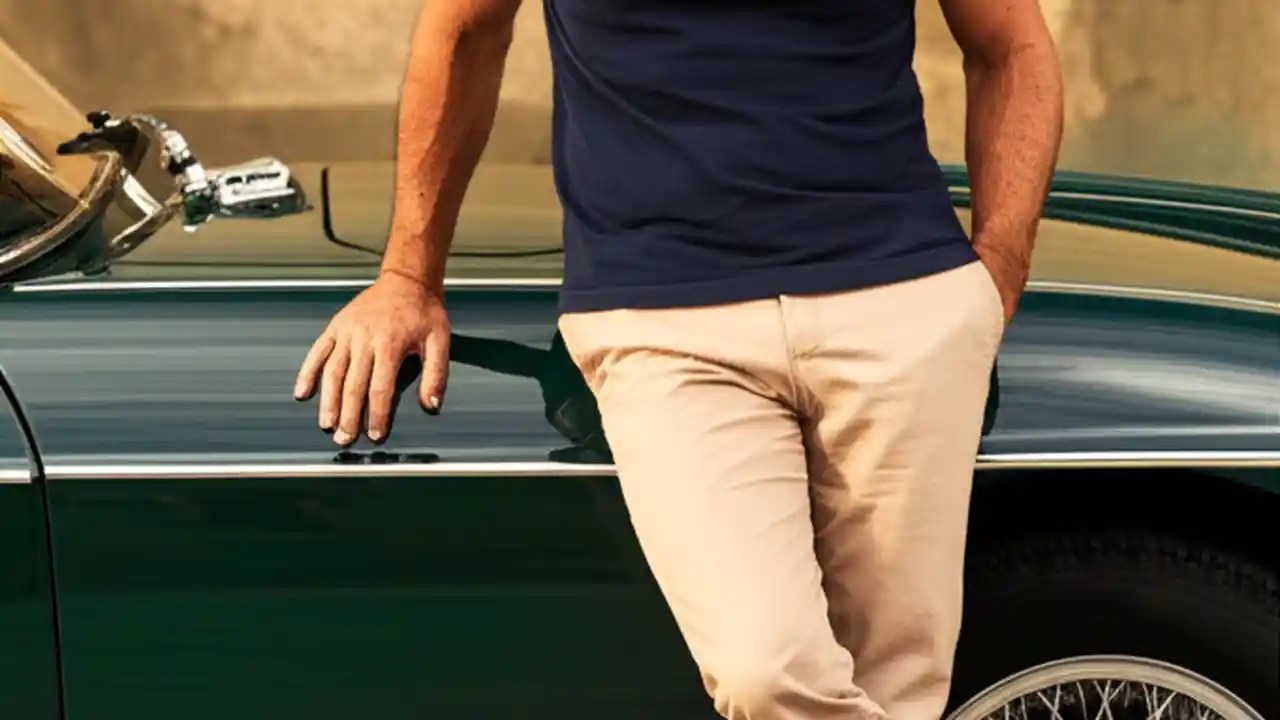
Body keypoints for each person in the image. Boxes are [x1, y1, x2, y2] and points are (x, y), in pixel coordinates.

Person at [293, 0, 1063, 717]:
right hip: (662, 320)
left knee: (896, 685)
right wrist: (406, 276)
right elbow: (464, 32)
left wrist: (995, 273)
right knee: (765, 669)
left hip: (902, 304)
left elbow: (1010, 44)